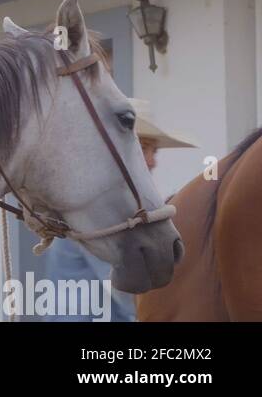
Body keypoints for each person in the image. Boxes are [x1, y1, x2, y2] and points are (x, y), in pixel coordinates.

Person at [43, 98, 197, 321]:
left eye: (154, 151)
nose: (152, 161)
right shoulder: (98, 209)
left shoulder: (111, 205)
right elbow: (126, 291)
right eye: (143, 148)